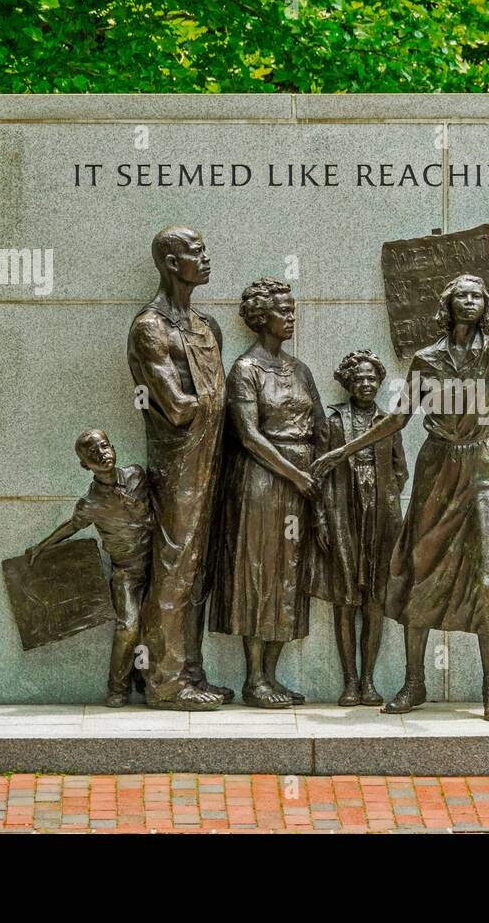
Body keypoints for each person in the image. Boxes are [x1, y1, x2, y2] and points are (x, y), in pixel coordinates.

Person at [312, 266, 489, 722]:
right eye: (461, 296)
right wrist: (342, 451)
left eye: (477, 297)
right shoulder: (427, 359)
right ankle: (415, 682)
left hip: (481, 464)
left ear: (485, 309)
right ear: (448, 305)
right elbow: (397, 419)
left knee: (488, 572)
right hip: (436, 468)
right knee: (420, 572)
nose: (469, 302)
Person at [127, 226, 230, 711]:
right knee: (173, 568)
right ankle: (163, 682)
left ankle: (190, 671)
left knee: (198, 570)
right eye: (196, 252)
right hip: (178, 464)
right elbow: (176, 405)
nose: (206, 259)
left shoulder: (207, 326)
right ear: (171, 263)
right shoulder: (151, 327)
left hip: (212, 458)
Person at [210, 278, 327, 709]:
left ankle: (273, 677)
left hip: (300, 482)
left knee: (289, 573)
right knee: (257, 571)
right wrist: (295, 474)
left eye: (293, 309)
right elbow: (248, 436)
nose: (291, 316)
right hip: (261, 481)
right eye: (284, 310)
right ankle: (253, 679)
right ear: (262, 317)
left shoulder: (300, 370)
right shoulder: (245, 369)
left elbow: (320, 423)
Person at [26, 429, 153, 708]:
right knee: (128, 626)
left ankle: (146, 677)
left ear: (113, 446)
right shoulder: (90, 503)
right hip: (127, 571)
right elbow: (70, 527)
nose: (102, 454)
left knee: (158, 624)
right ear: (85, 466)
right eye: (93, 454)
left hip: (158, 563)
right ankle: (117, 687)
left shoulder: (137, 475)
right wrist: (40, 547)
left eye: (104, 446)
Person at [311, 350, 408, 706]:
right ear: (348, 383)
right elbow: (317, 474)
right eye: (360, 379)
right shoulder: (333, 421)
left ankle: (369, 680)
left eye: (372, 379)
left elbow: (400, 470)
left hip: (380, 515)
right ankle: (349, 681)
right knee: (346, 597)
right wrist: (320, 517)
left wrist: (389, 505)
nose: (366, 384)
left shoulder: (388, 421)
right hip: (342, 512)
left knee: (375, 600)